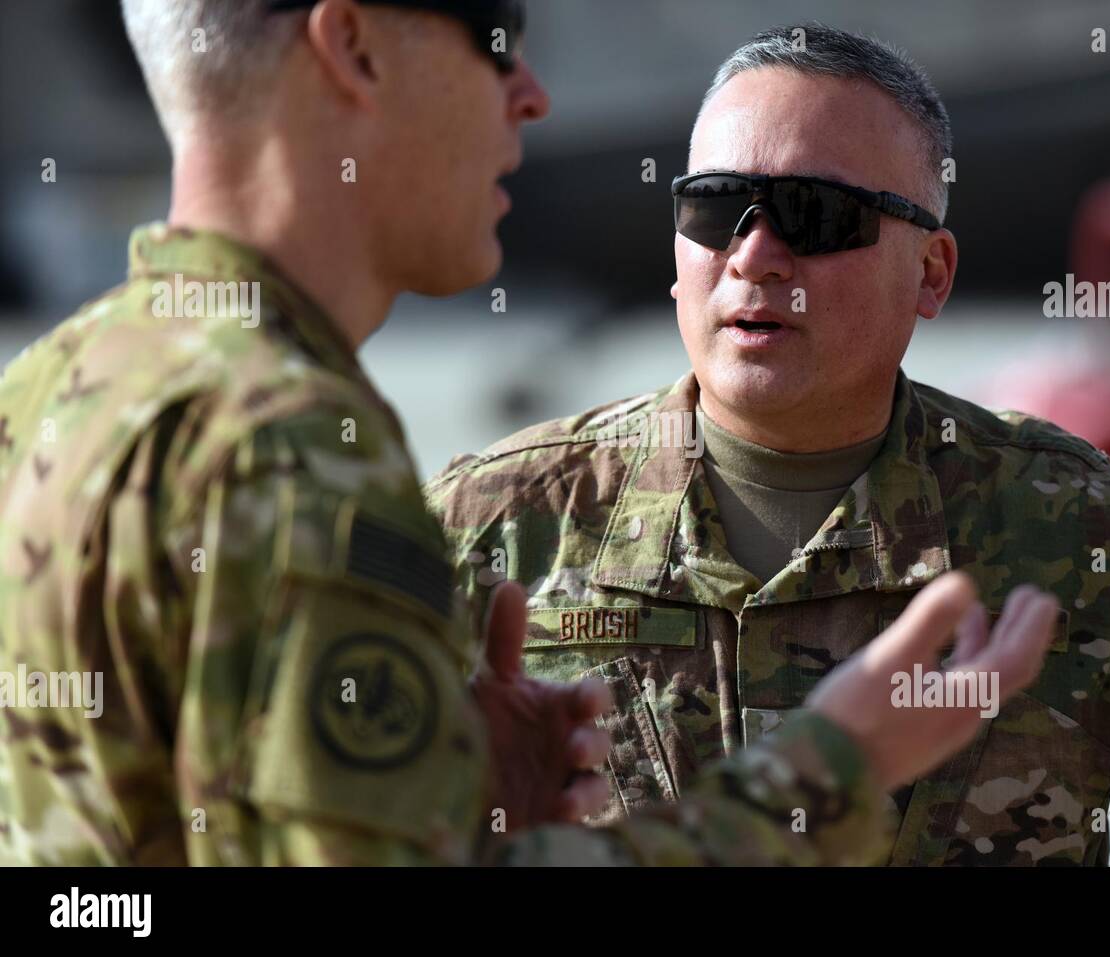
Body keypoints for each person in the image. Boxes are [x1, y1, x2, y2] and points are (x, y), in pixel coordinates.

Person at [0, 1, 1056, 866]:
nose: (532, 94)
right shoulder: (288, 441)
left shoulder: (51, 387)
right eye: (493, 34)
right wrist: (833, 766)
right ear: (353, 47)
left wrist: (458, 812)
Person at [427, 23, 1110, 865]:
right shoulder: (489, 531)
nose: (755, 255)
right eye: (716, 209)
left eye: (815, 216)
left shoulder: (1088, 537)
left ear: (931, 275)